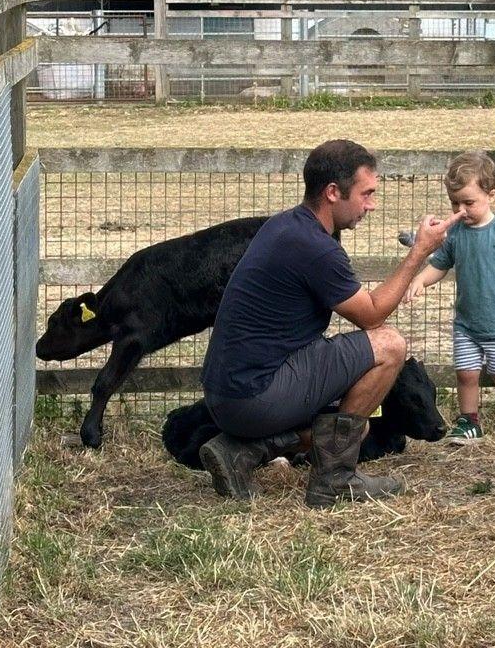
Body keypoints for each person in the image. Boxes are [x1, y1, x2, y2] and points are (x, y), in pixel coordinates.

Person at [198, 139, 463, 508]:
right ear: (334, 192)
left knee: (359, 425)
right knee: (389, 345)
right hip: (254, 395)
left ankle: (240, 450)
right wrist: (420, 251)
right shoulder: (313, 247)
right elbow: (371, 316)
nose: (372, 204)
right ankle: (333, 481)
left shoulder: (286, 226)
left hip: (227, 394)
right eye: (366, 193)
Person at [404, 151, 495, 441]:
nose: (461, 210)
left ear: (490, 195)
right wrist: (421, 278)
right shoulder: (455, 233)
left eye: (469, 202)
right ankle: (469, 421)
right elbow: (440, 265)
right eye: (455, 203)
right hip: (466, 324)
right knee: (465, 375)